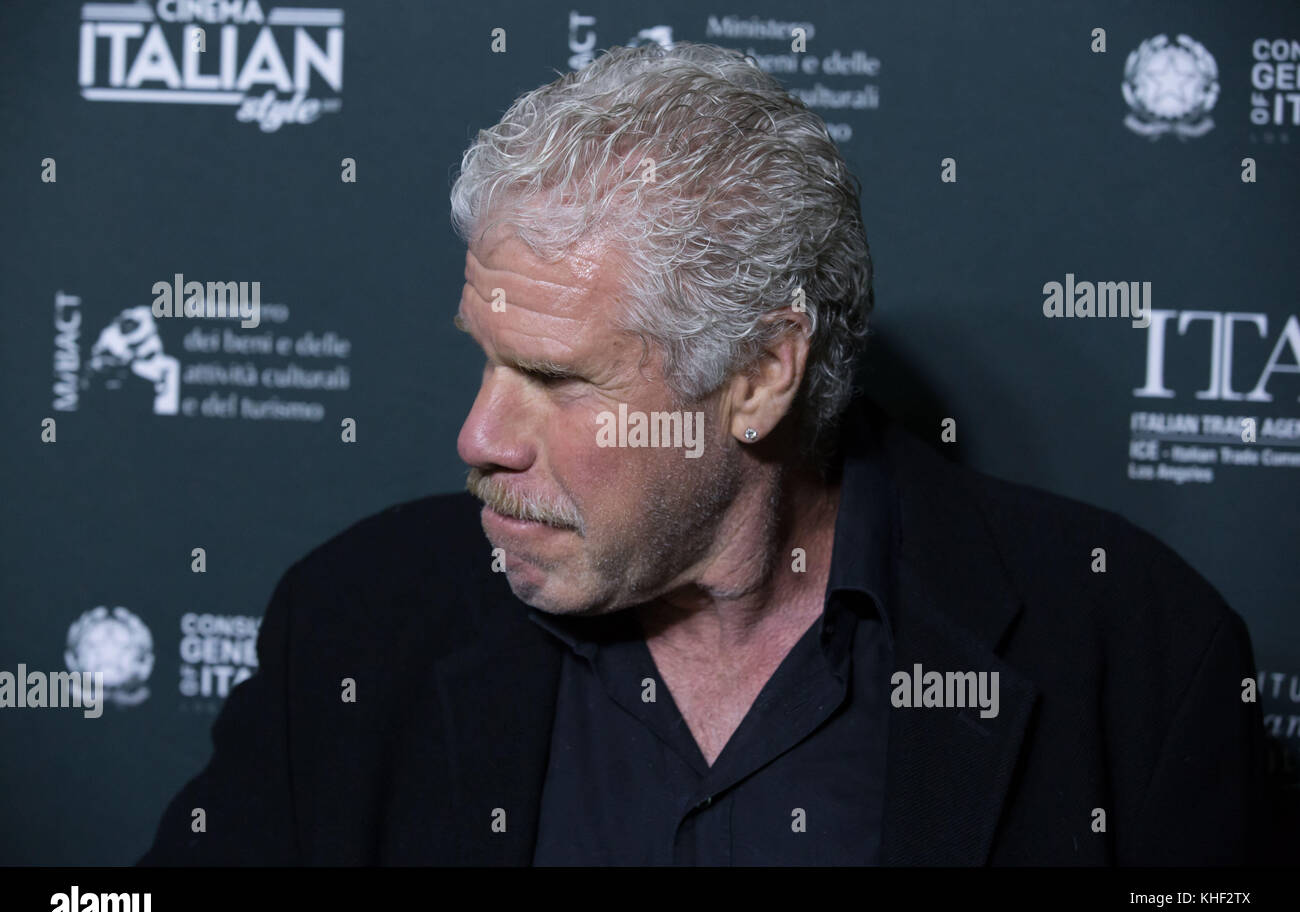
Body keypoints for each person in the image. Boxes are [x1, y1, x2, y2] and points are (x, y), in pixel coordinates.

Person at [138, 42, 1277, 866]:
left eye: (558, 378)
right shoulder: (353, 626)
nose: (478, 437)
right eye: (484, 360)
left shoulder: (1136, 659)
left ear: (760, 374)